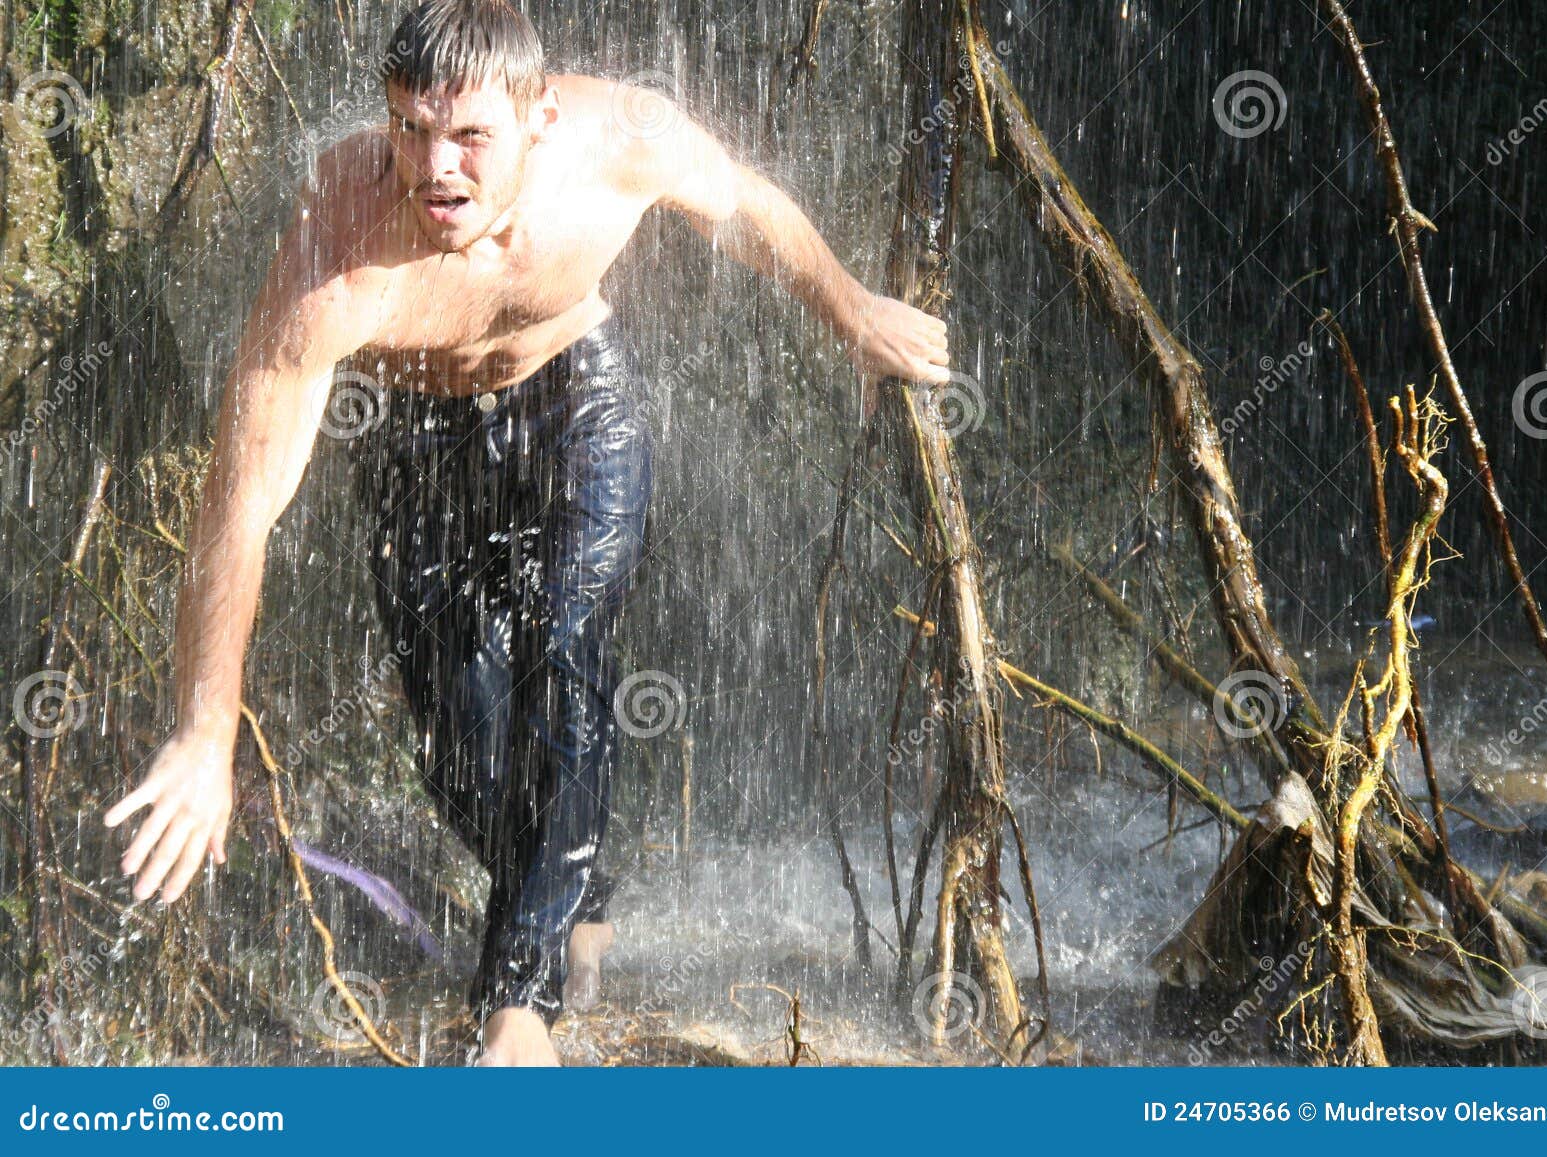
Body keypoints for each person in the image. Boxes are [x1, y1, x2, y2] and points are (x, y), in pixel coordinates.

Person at [101, 0, 951, 1066]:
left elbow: (742, 205)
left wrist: (852, 310)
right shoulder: (338, 252)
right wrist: (203, 727)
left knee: (564, 644)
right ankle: (577, 881)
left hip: (574, 404)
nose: (432, 167)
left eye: (468, 136)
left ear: (538, 117)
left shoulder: (615, 143)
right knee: (459, 739)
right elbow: (240, 501)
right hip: (413, 434)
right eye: (409, 129)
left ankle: (519, 1006)